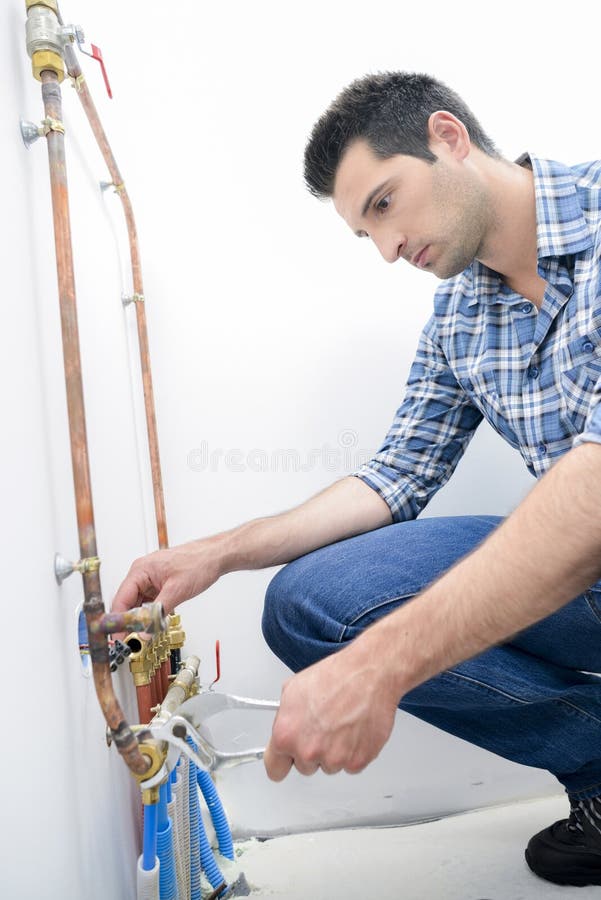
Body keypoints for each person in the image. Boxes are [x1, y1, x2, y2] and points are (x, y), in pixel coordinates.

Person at [112, 72, 601, 887]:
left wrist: (383, 665)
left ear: (448, 138)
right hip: (585, 573)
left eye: (384, 203)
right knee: (311, 604)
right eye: (364, 232)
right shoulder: (458, 317)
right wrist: (218, 553)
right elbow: (395, 475)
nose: (386, 249)